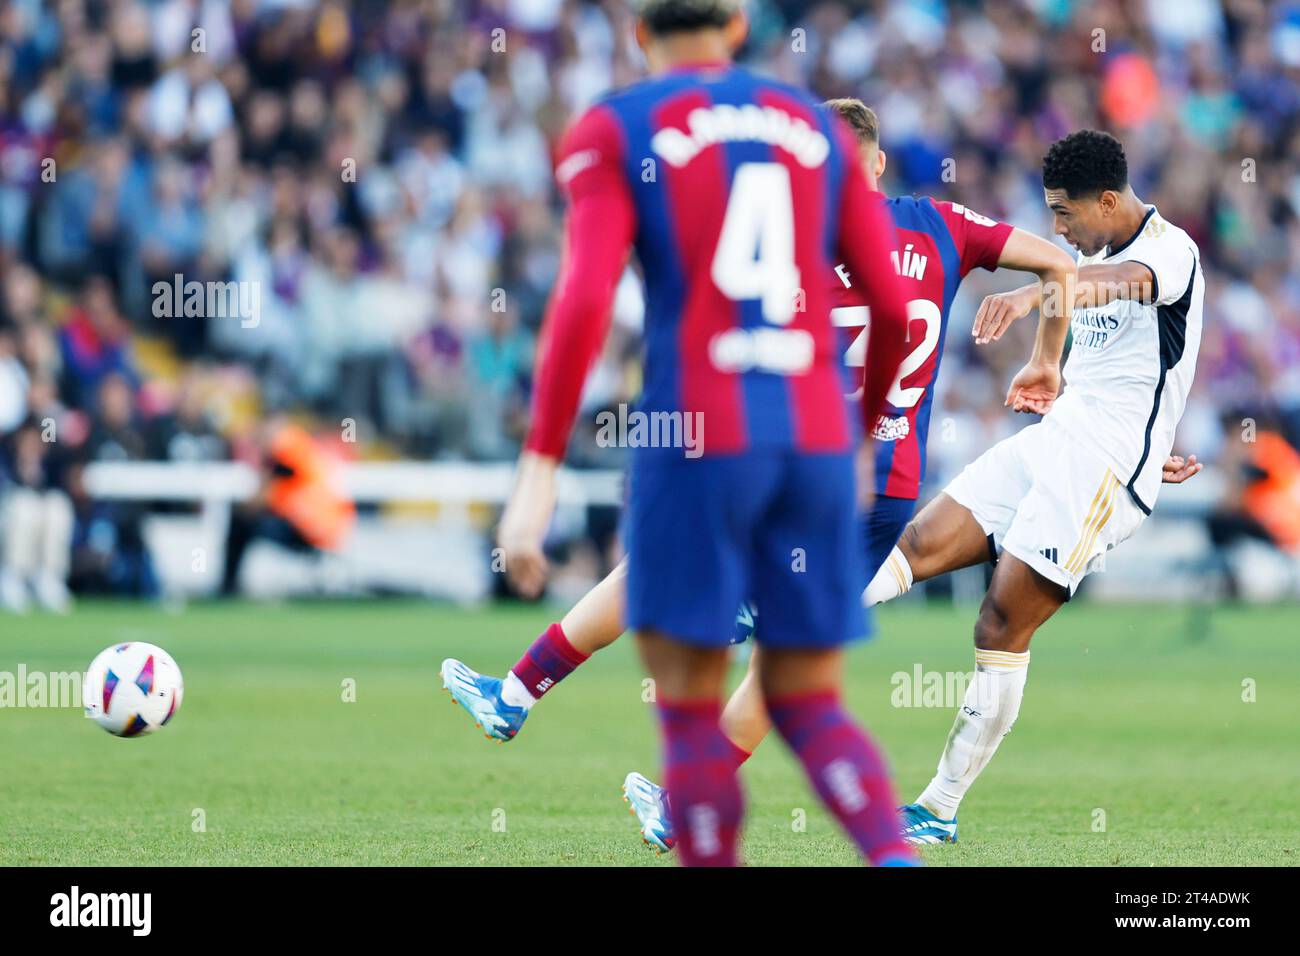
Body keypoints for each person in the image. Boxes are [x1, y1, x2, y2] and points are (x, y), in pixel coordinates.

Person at [446, 97, 1084, 854]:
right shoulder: (943, 225)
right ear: (877, 162)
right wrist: (1046, 358)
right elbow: (1059, 262)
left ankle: (520, 693)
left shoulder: (786, 238)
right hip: (889, 487)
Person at [446, 0, 918, 867]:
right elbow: (889, 305)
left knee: (691, 715)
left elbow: (586, 300)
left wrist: (540, 468)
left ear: (638, 33)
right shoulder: (809, 130)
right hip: (814, 438)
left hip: (701, 436)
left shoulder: (617, 127)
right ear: (738, 26)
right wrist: (860, 435)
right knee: (812, 704)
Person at [861, 129, 1205, 843]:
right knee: (915, 540)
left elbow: (1113, 286)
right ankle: (791, 613)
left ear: (1108, 201)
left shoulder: (1169, 250)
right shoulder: (1087, 252)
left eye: (1065, 212)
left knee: (999, 621)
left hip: (1102, 470)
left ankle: (939, 807)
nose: (1056, 227)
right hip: (1056, 440)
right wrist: (1048, 364)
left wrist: (1027, 293)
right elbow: (1098, 329)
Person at [221, 420, 354, 596]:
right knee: (243, 522)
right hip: (318, 528)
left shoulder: (286, 452)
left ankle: (228, 586)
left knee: (241, 523)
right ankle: (229, 585)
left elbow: (260, 499)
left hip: (309, 529)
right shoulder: (301, 450)